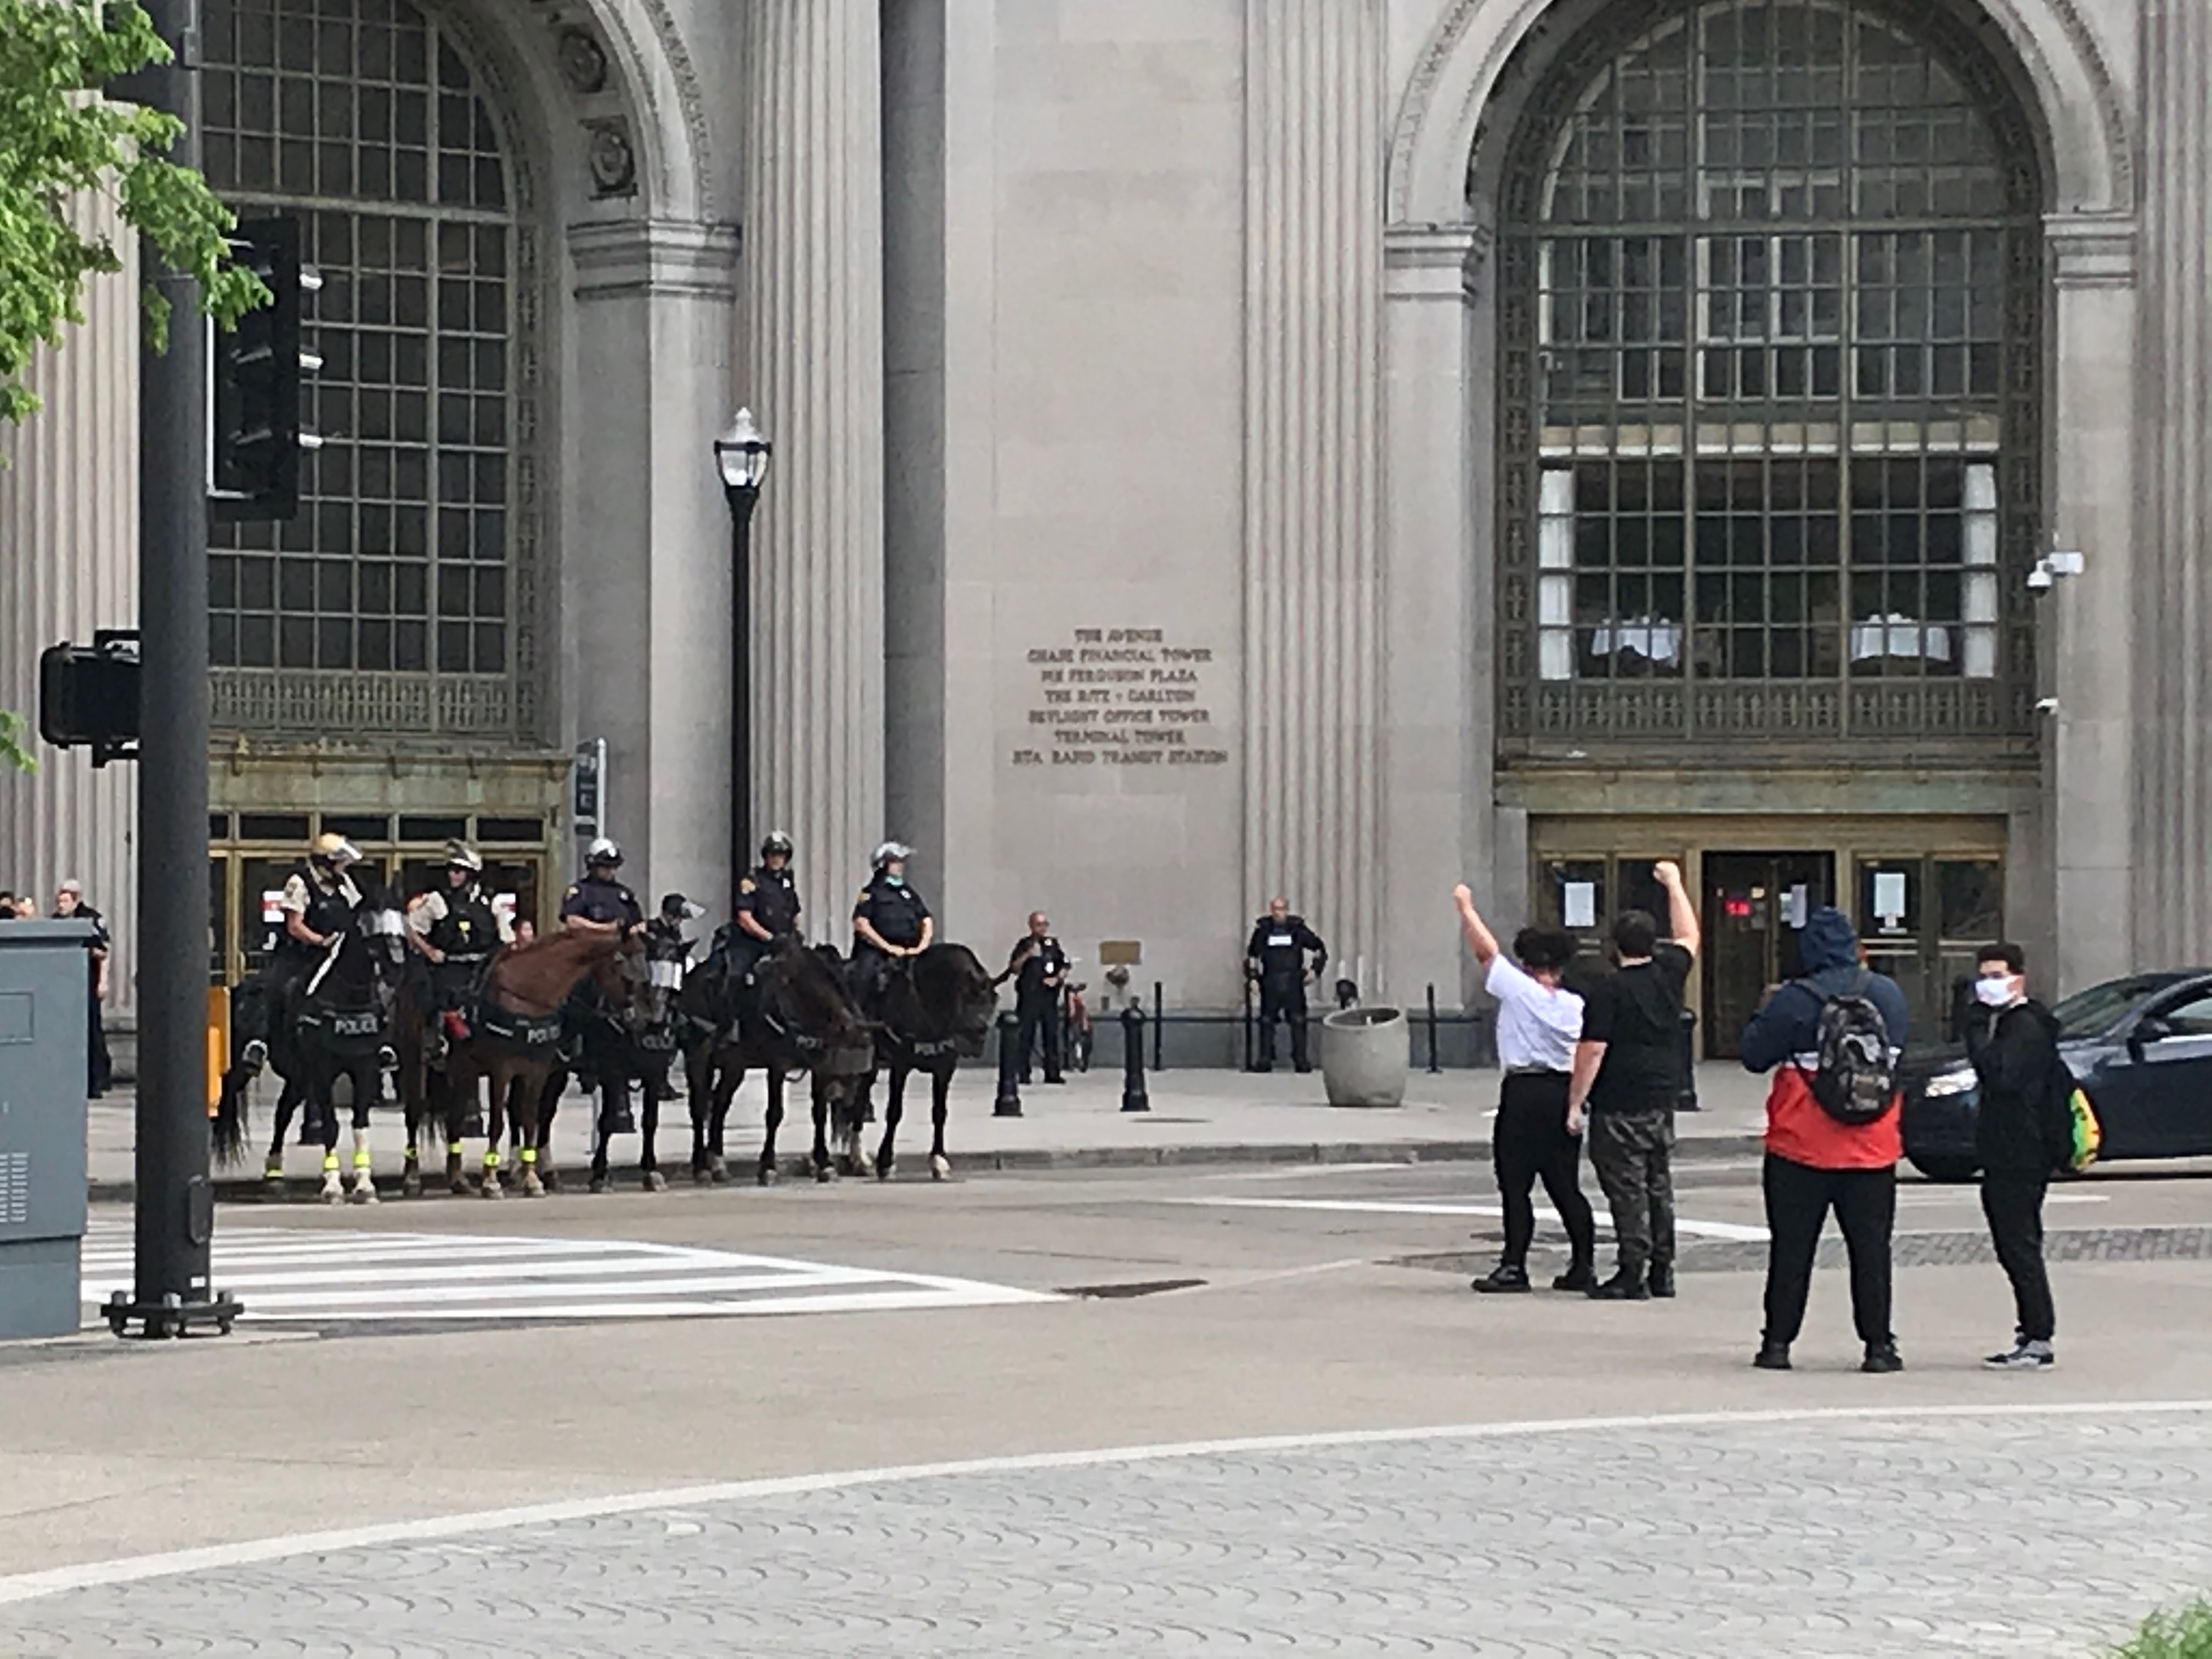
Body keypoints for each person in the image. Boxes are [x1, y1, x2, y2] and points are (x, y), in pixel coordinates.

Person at [1738, 906, 1910, 1373]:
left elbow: (1753, 1055)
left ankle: (1777, 1344)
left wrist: (1764, 1012)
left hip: (1801, 1146)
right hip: (1872, 1146)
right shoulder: (1888, 995)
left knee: (1792, 1249)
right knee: (1871, 1252)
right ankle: (1879, 1347)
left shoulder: (1794, 999)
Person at [1567, 860, 1699, 1301]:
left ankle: (1631, 1270)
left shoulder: (1608, 990)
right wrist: (1675, 885)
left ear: (1614, 946)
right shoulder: (1668, 975)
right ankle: (1664, 1268)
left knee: (1626, 1188)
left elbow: (1593, 1049)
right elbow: (1689, 936)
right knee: (1658, 1183)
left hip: (1620, 1100)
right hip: (1661, 1097)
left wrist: (1576, 1101)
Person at [1455, 884, 1595, 1294]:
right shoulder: (1575, 1005)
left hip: (1523, 1092)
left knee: (1515, 1185)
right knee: (1565, 1185)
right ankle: (1583, 1263)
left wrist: (1466, 907)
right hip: (1561, 1091)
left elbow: (1486, 952)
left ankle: (1514, 1264)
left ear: (1529, 962)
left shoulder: (1519, 990)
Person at [1963, 942, 2072, 1372]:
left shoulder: (2024, 1026)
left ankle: (2038, 1334)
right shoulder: (2013, 1023)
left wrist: (1974, 1031)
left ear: (2018, 978)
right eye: (1984, 976)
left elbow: (2001, 1076)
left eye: (1998, 976)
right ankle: (2032, 1331)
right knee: (2015, 1241)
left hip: (2021, 1150)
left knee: (2019, 1243)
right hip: (2011, 1148)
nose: (1990, 984)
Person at [406, 842, 510, 1041]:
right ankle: (435, 1043)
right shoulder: (438, 900)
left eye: (458, 871)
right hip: (450, 967)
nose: (452, 875)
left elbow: (506, 939)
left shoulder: (491, 901)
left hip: (483, 968)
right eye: (451, 870)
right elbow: (412, 929)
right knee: (435, 1001)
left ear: (471, 874)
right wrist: (430, 951)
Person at [1245, 898, 1327, 1074]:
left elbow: (1319, 949)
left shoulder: (1297, 930)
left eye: (1281, 909)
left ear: (1287, 910)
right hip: (1270, 980)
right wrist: (1252, 978)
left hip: (1293, 981)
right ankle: (1265, 1059)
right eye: (1275, 909)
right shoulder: (1263, 931)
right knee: (1267, 1021)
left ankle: (1301, 1059)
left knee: (1298, 1020)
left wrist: (1315, 971)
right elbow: (1252, 955)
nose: (1277, 913)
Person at [711, 831, 802, 988]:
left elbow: (795, 914)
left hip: (783, 944)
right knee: (739, 977)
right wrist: (768, 937)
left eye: (781, 855)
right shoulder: (752, 881)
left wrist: (792, 936)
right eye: (773, 854)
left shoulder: (786, 883)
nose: (776, 859)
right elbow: (745, 918)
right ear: (766, 856)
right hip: (755, 943)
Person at [850, 842, 933, 1012]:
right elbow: (861, 924)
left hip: (910, 950)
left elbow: (926, 919)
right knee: (863, 979)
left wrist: (922, 946)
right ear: (883, 865)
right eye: (896, 862)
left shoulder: (907, 892)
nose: (900, 866)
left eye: (901, 862)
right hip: (878, 952)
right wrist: (888, 947)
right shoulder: (871, 893)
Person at [53, 880, 112, 1097]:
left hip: (87, 981)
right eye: (59, 900)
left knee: (92, 1030)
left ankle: (97, 1080)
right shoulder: (57, 921)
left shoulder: (91, 919)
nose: (61, 905)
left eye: (65, 901)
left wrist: (102, 981)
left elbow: (104, 951)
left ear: (75, 899)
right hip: (64, 984)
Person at [1001, 912, 1069, 1085]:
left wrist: (1058, 978)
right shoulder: (1024, 945)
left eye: (1045, 924)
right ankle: (1023, 1072)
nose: (1043, 929)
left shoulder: (1051, 944)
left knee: (1051, 1034)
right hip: (1029, 995)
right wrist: (1028, 955)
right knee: (1025, 1035)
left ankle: (1052, 1072)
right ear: (1031, 926)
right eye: (1039, 925)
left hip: (1049, 996)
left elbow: (1064, 965)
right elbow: (1014, 968)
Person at [560, 838, 644, 930]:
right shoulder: (581, 891)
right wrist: (606, 928)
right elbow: (573, 921)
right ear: (593, 865)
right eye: (606, 867)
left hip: (620, 942)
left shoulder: (625, 894)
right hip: (589, 942)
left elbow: (638, 924)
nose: (611, 871)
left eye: (614, 867)